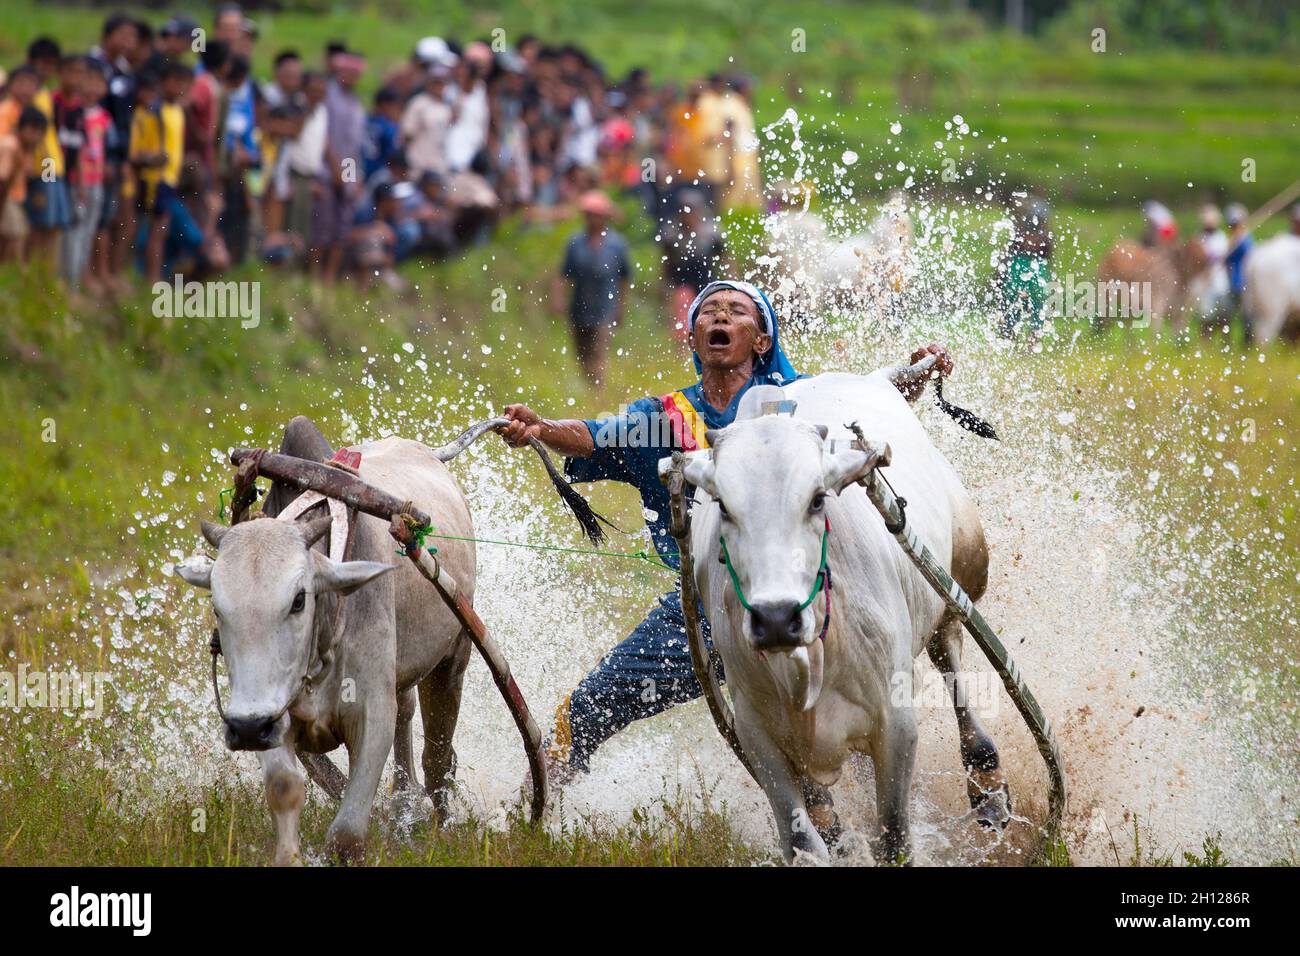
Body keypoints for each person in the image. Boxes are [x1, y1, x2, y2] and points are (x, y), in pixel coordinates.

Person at [495, 280, 953, 821]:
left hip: (806, 598)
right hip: (708, 607)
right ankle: (532, 805)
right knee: (594, 705)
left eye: (736, 311)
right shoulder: (666, 421)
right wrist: (542, 428)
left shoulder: (800, 407)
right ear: (693, 338)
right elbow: (597, 436)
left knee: (850, 711)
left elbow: (865, 417)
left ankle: (853, 809)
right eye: (708, 312)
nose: (720, 317)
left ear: (761, 339)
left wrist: (913, 377)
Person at [554, 190, 631, 386]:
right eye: (588, 215)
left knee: (598, 350)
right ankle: (589, 386)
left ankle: (599, 389)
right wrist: (558, 299)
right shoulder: (575, 243)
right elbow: (564, 275)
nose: (591, 219)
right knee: (581, 352)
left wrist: (620, 307)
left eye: (595, 215)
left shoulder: (617, 245)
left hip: (605, 306)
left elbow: (624, 278)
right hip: (580, 306)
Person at [0, 107, 48, 262]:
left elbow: (47, 168)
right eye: (33, 130)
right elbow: (2, 180)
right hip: (5, 196)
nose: (36, 136)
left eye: (41, 132)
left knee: (19, 234)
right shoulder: (10, 146)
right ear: (21, 127)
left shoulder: (29, 149)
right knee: (15, 235)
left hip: (14, 197)